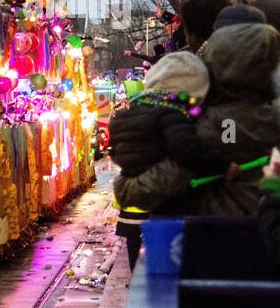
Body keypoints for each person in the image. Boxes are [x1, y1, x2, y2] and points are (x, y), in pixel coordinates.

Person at [114, 23, 280, 218]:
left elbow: (140, 191)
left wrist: (123, 185)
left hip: (223, 234)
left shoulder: (217, 123)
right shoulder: (269, 115)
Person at [108, 52, 228, 266]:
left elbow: (116, 151)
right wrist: (222, 165)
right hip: (165, 202)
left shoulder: (137, 108)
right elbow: (187, 148)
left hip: (137, 199)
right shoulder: (172, 112)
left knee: (147, 254)